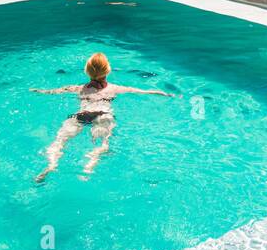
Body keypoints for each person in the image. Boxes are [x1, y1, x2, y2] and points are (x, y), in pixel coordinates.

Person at [31, 52, 172, 181]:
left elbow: (53, 91)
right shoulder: (115, 88)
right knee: (104, 143)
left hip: (81, 115)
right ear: (108, 70)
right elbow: (142, 91)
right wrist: (163, 93)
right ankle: (91, 162)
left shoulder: (78, 88)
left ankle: (51, 164)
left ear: (87, 71)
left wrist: (39, 90)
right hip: (103, 116)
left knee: (59, 141)